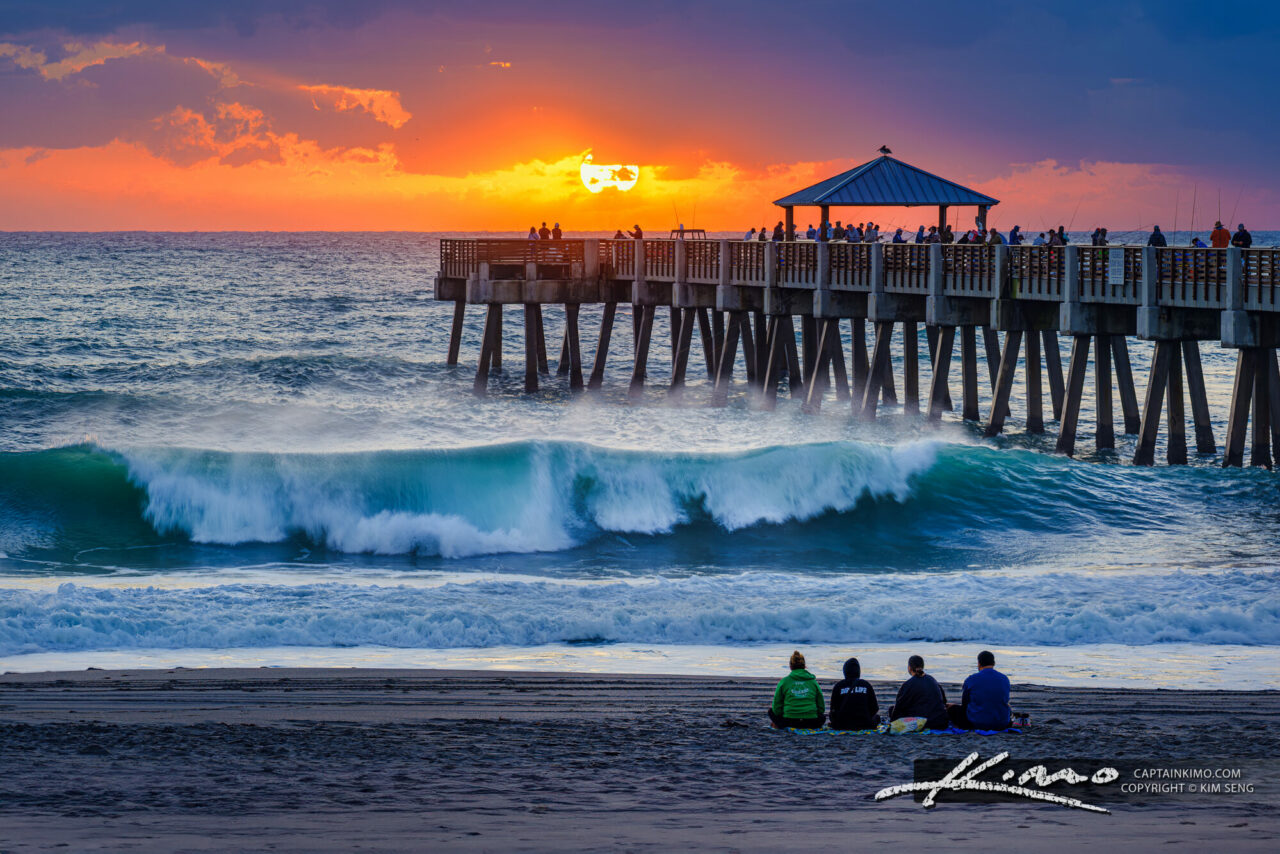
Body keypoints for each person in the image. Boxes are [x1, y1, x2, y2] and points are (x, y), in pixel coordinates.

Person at [949, 650, 1012, 731]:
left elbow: (965, 704)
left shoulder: (971, 679)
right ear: (994, 663)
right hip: (1001, 723)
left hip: (977, 723)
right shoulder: (1005, 679)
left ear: (979, 663)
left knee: (952, 710)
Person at [888, 655, 949, 731]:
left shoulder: (908, 684)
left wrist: (892, 722)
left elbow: (898, 707)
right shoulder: (932, 680)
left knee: (891, 709)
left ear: (909, 668)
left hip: (923, 722)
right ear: (922, 666)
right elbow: (944, 701)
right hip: (940, 721)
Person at [768, 650, 825, 729]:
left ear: (790, 666)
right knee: (822, 717)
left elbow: (776, 707)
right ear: (804, 666)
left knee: (771, 711)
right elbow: (821, 707)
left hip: (789, 721)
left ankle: (777, 725)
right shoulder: (813, 682)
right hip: (811, 722)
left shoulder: (784, 681)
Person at [829, 657, 879, 731]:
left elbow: (833, 708)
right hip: (865, 724)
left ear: (845, 671)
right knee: (877, 717)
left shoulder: (839, 686)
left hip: (842, 724)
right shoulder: (866, 684)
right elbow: (875, 708)